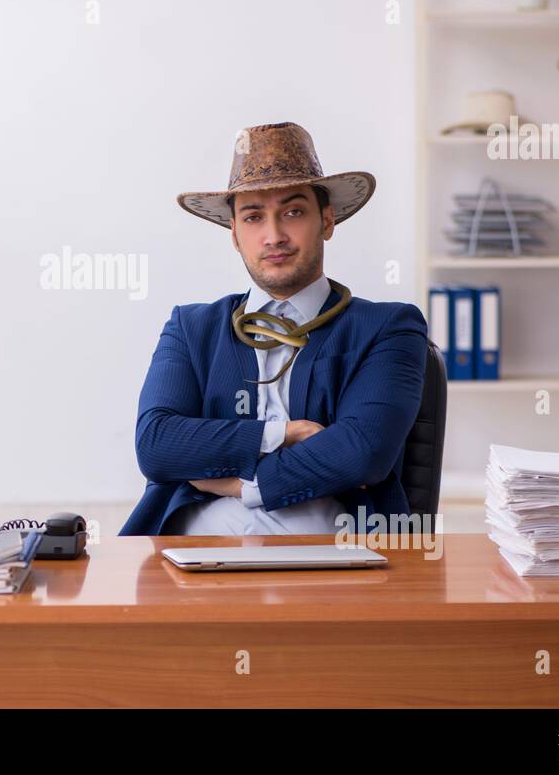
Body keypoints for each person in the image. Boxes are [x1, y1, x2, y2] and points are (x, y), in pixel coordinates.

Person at [119, 122, 429, 536]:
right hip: (194, 562)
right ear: (234, 234)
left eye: (293, 212)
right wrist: (282, 434)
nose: (274, 235)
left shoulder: (387, 327)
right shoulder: (191, 328)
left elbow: (362, 453)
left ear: (327, 220)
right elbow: (157, 445)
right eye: (253, 217)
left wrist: (241, 485)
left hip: (332, 558)